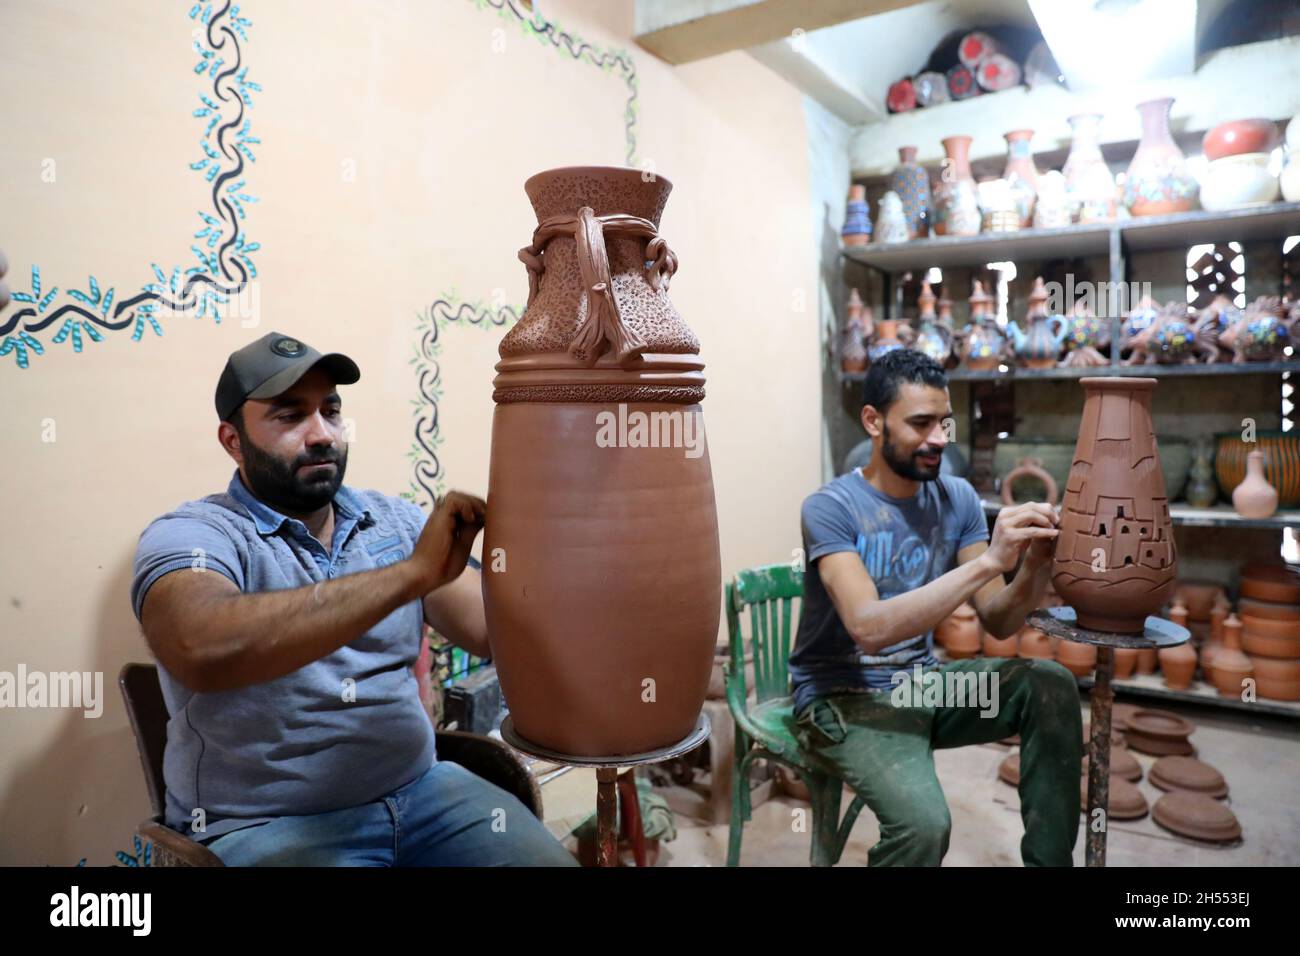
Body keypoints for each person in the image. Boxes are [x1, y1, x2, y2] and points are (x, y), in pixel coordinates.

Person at [129, 330, 576, 866]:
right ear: (232, 440)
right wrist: (411, 575)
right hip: (266, 825)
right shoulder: (197, 535)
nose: (321, 434)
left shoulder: (396, 521)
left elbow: (489, 630)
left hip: (424, 792)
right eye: (289, 416)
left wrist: (543, 527)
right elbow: (198, 648)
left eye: (331, 411)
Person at [788, 348, 1082, 866]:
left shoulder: (958, 498)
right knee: (924, 827)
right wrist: (991, 561)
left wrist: (1034, 565)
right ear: (874, 421)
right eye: (921, 424)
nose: (940, 439)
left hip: (923, 684)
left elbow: (996, 619)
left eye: (944, 422)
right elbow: (869, 628)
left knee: (1049, 685)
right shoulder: (830, 508)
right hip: (842, 698)